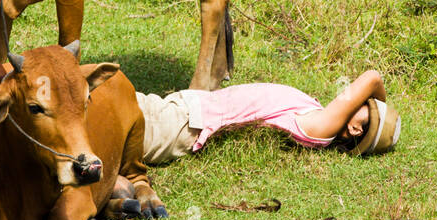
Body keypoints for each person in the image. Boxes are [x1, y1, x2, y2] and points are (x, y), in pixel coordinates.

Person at [134, 70, 400, 165]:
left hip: (183, 123)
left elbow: (373, 77)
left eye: (366, 106)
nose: (359, 99)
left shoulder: (322, 128)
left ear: (355, 130)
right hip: (185, 110)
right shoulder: (317, 115)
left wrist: (382, 107)